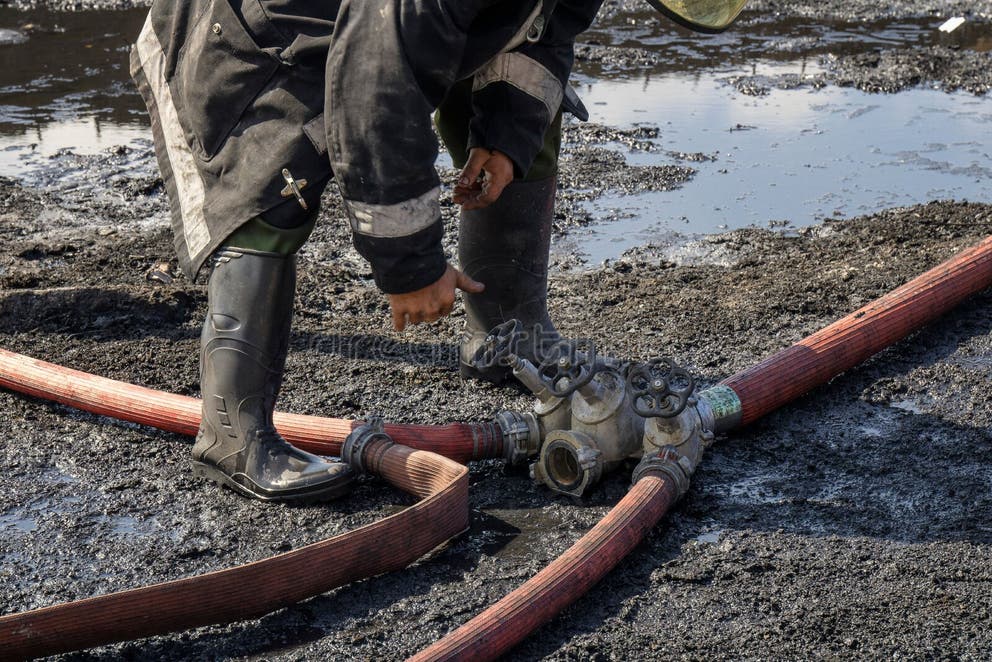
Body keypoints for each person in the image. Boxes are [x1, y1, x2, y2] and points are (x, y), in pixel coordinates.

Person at [130, 0, 746, 503]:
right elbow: (376, 96)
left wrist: (503, 143)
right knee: (271, 184)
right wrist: (412, 268)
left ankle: (508, 332)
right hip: (249, 34)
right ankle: (233, 435)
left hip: (382, 29)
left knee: (526, 100)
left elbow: (543, 34)